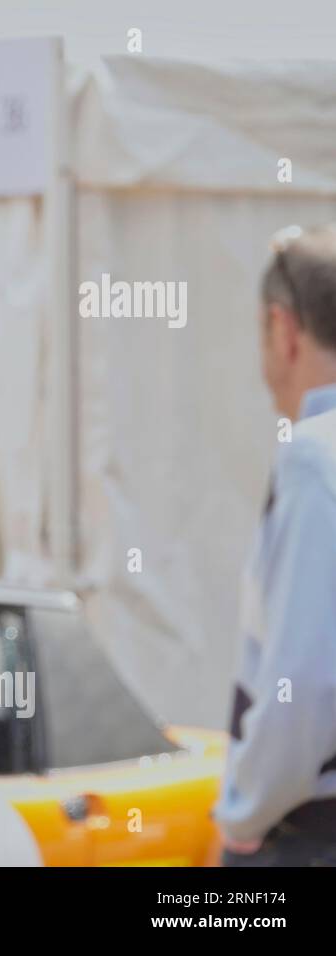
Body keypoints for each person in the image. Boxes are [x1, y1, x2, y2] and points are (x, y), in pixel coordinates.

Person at [214, 224, 336, 866]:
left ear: (283, 329)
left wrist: (241, 816)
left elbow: (306, 686)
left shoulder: (315, 458)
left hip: (308, 835)